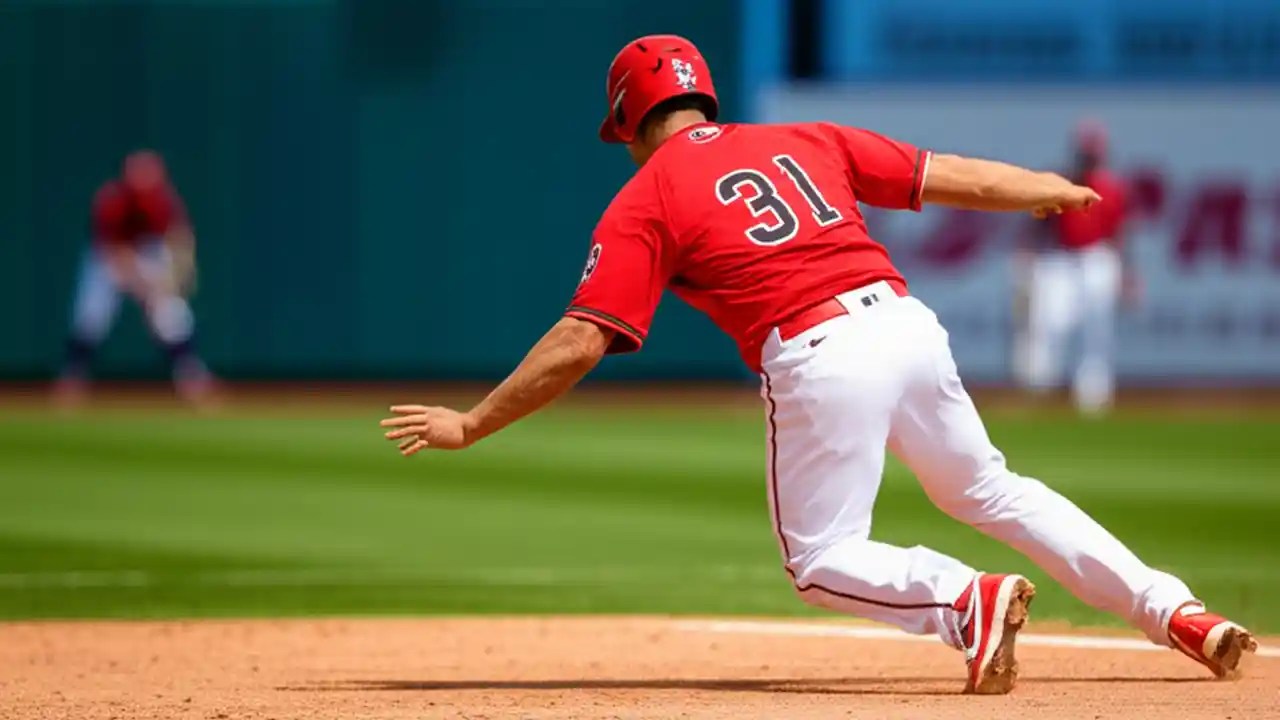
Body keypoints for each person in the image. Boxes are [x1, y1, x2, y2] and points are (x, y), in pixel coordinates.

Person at [380, 36, 1256, 693]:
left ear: (630, 121)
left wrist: (473, 420)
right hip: (908, 324)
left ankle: (963, 601)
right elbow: (945, 174)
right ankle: (1176, 609)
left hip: (819, 350)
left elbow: (582, 337)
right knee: (990, 489)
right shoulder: (805, 136)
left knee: (821, 557)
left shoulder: (646, 195)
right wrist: (1048, 188)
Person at [54, 150, 216, 407]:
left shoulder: (162, 199)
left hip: (148, 252)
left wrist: (180, 272)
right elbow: (114, 253)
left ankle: (191, 377)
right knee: (92, 314)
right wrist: (145, 285)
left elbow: (180, 238)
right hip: (106, 259)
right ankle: (73, 378)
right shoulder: (112, 200)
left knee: (170, 314)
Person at [1013, 120, 1132, 415]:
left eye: (1093, 153)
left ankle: (1093, 397)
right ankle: (1037, 389)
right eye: (1085, 153)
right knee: (1048, 322)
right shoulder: (1061, 183)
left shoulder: (1112, 189)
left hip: (1096, 258)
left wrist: (1127, 272)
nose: (1089, 159)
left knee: (1097, 330)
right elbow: (1038, 224)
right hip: (1060, 258)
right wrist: (1027, 256)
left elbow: (1120, 234)